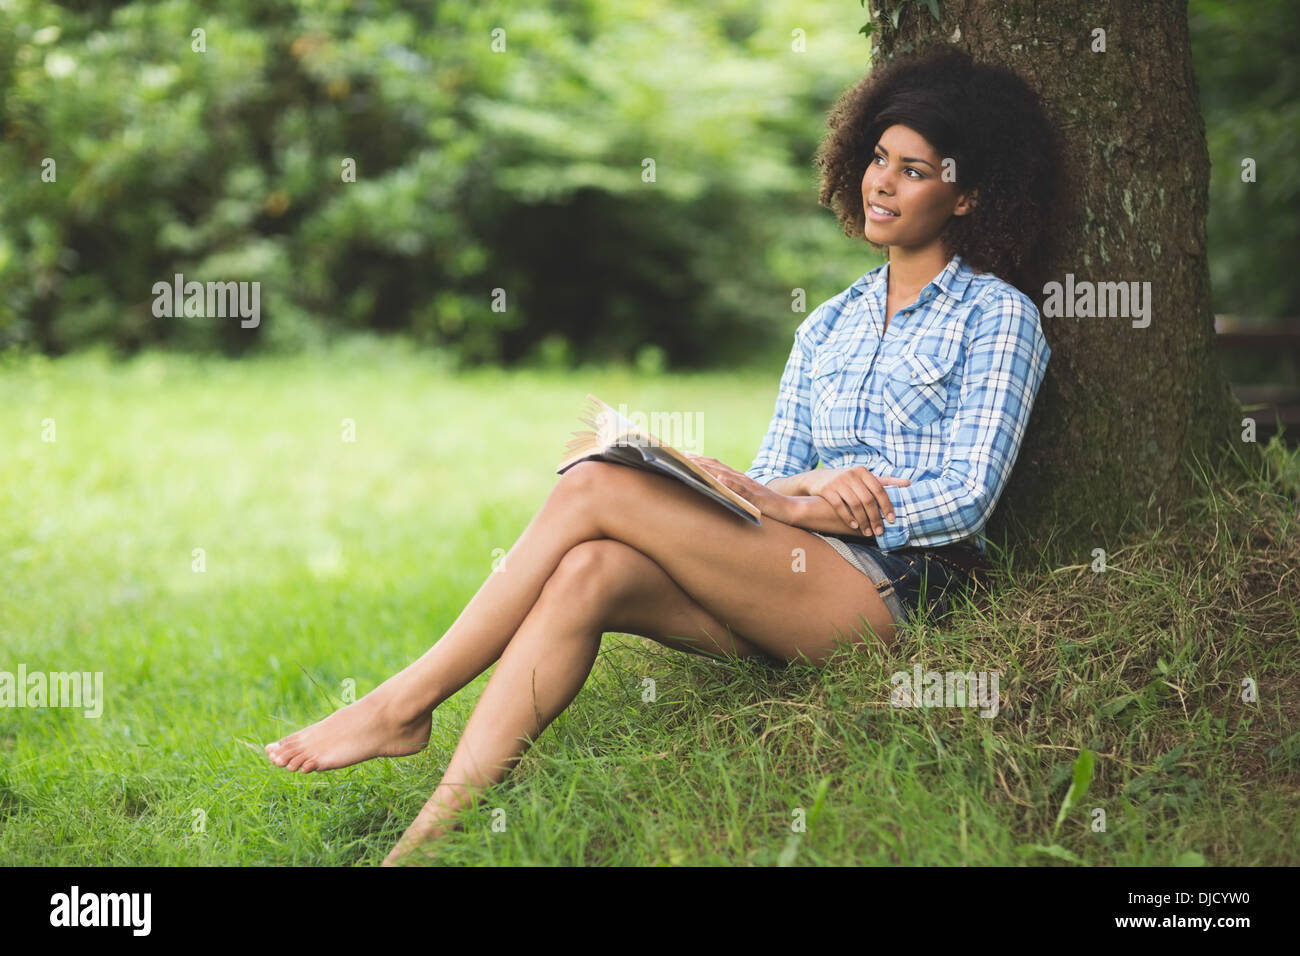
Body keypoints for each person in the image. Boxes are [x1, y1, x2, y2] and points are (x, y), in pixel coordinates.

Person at [264, 43, 1067, 865]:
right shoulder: (828, 324)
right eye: (877, 159)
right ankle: (430, 841)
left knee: (594, 488)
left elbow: (968, 495)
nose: (883, 183)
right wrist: (795, 491)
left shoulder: (997, 319)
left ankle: (404, 701)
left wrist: (801, 505)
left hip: (896, 593)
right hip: (787, 581)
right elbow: (772, 472)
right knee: (591, 573)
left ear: (967, 195)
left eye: (915, 170)